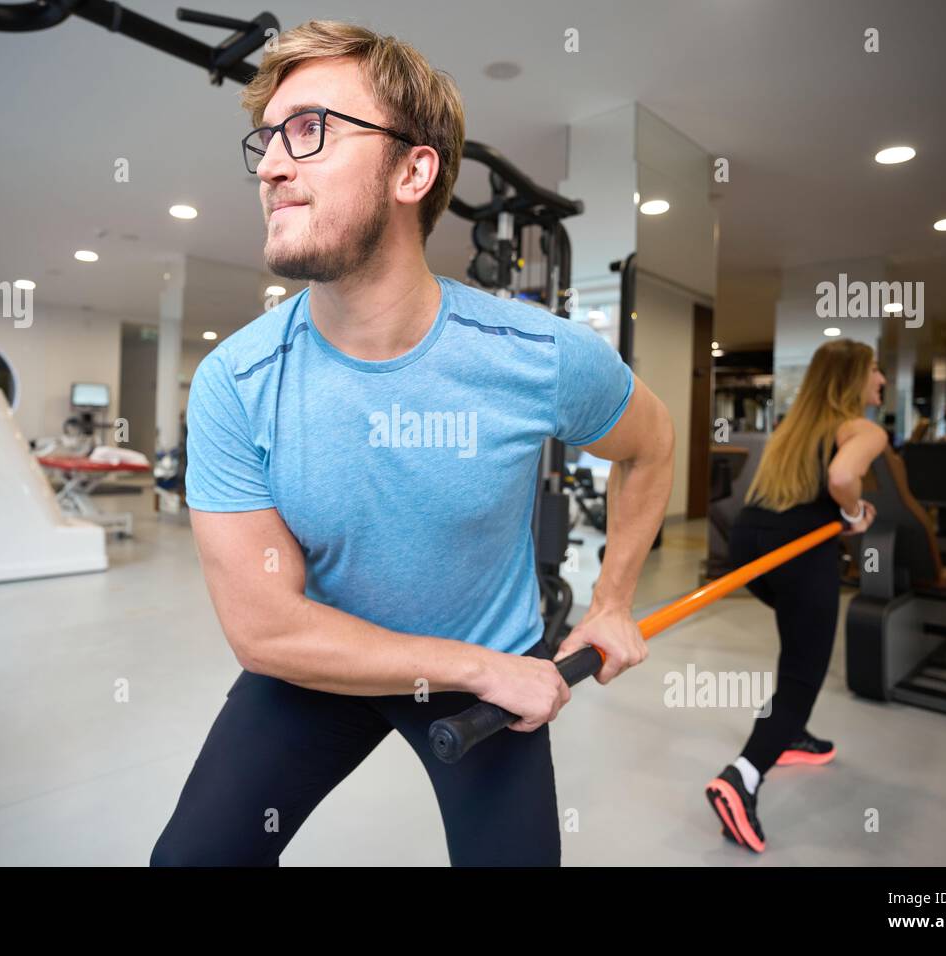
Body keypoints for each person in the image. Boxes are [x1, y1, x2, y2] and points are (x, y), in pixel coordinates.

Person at [150, 20, 674, 867]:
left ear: (412, 168)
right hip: (331, 659)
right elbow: (268, 632)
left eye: (311, 129)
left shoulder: (538, 356)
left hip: (491, 661)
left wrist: (611, 600)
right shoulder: (236, 382)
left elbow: (650, 446)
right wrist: (470, 669)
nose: (274, 165)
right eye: (268, 140)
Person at [707, 339, 885, 853]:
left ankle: (793, 732)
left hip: (750, 546)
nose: (881, 380)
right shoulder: (863, 428)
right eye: (875, 370)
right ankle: (741, 777)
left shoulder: (795, 426)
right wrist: (854, 516)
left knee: (797, 645)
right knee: (804, 669)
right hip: (801, 554)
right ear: (854, 378)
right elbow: (842, 476)